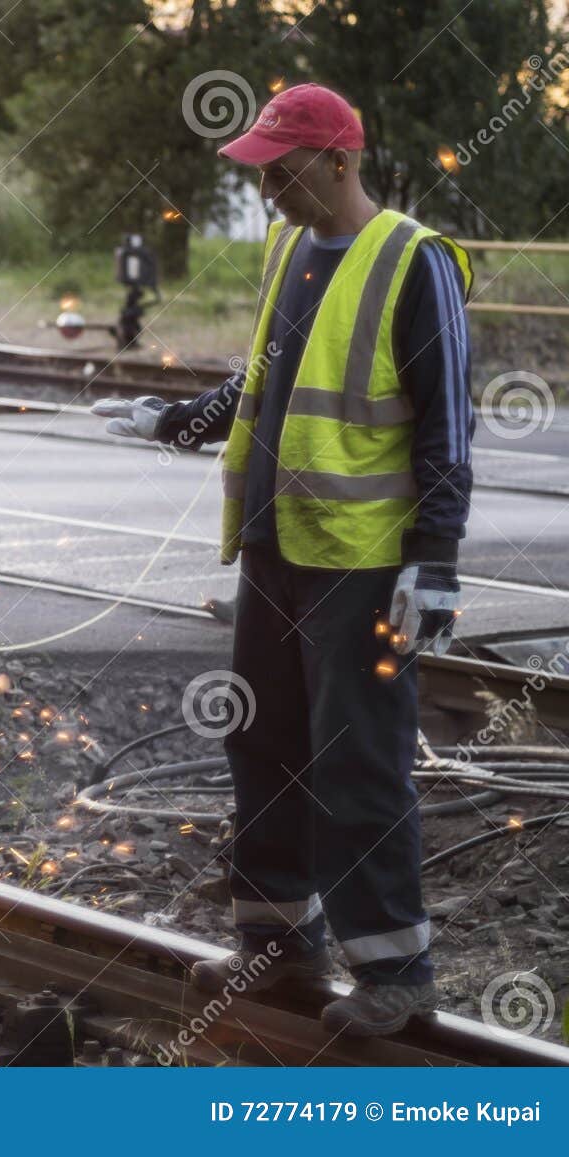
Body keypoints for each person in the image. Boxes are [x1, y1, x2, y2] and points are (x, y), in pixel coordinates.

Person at [93, 83, 473, 1036]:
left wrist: (435, 561)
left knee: (358, 761)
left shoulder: (412, 263)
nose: (269, 190)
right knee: (263, 740)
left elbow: (448, 430)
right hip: (275, 545)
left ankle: (395, 969)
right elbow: (266, 375)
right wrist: (181, 422)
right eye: (260, 172)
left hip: (362, 564)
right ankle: (277, 940)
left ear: (339, 162)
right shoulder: (290, 248)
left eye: (282, 170)